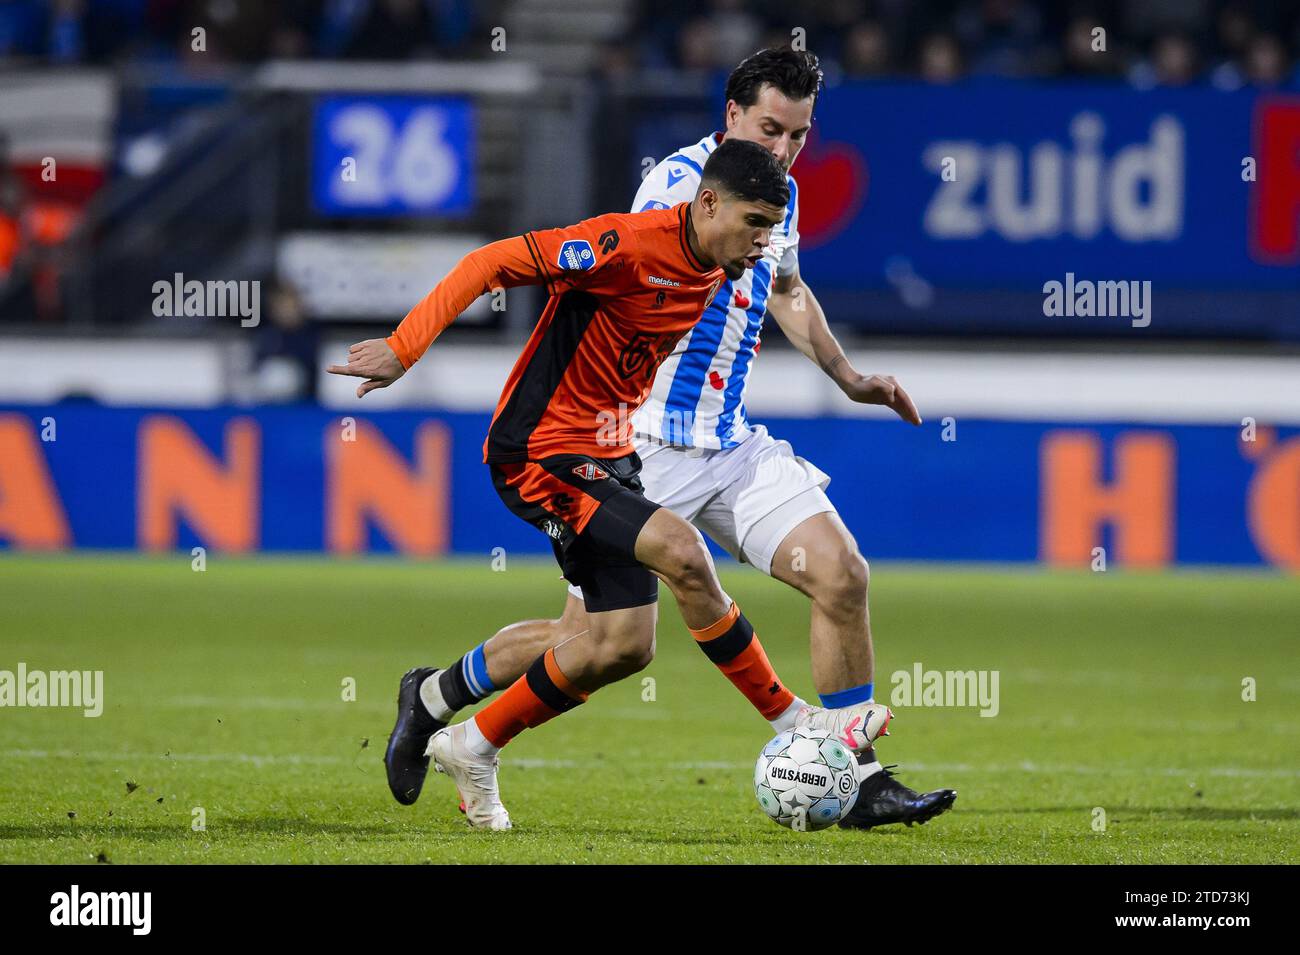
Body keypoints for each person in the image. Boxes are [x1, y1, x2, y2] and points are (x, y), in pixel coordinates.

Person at [330, 138, 892, 829]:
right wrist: (402, 347)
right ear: (707, 202)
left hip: (612, 455)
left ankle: (462, 733)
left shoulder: (719, 264)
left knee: (620, 644)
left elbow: (779, 290)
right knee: (684, 552)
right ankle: (791, 715)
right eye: (753, 225)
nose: (759, 245)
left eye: (770, 231)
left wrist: (849, 374)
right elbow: (487, 263)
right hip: (541, 450)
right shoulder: (620, 244)